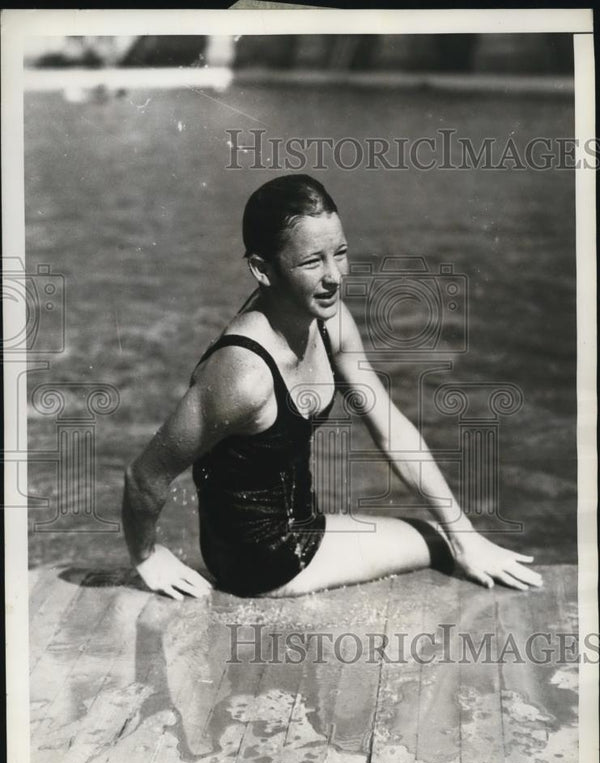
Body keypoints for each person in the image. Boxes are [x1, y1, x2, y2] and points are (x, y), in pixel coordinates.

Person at [122, 174, 542, 600]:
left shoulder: (329, 321)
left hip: (303, 527)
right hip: (261, 564)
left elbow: (389, 427)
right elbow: (145, 475)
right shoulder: (244, 375)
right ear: (262, 270)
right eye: (312, 263)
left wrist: (466, 535)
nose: (335, 276)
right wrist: (147, 557)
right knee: (437, 543)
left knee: (450, 535)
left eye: (339, 253)